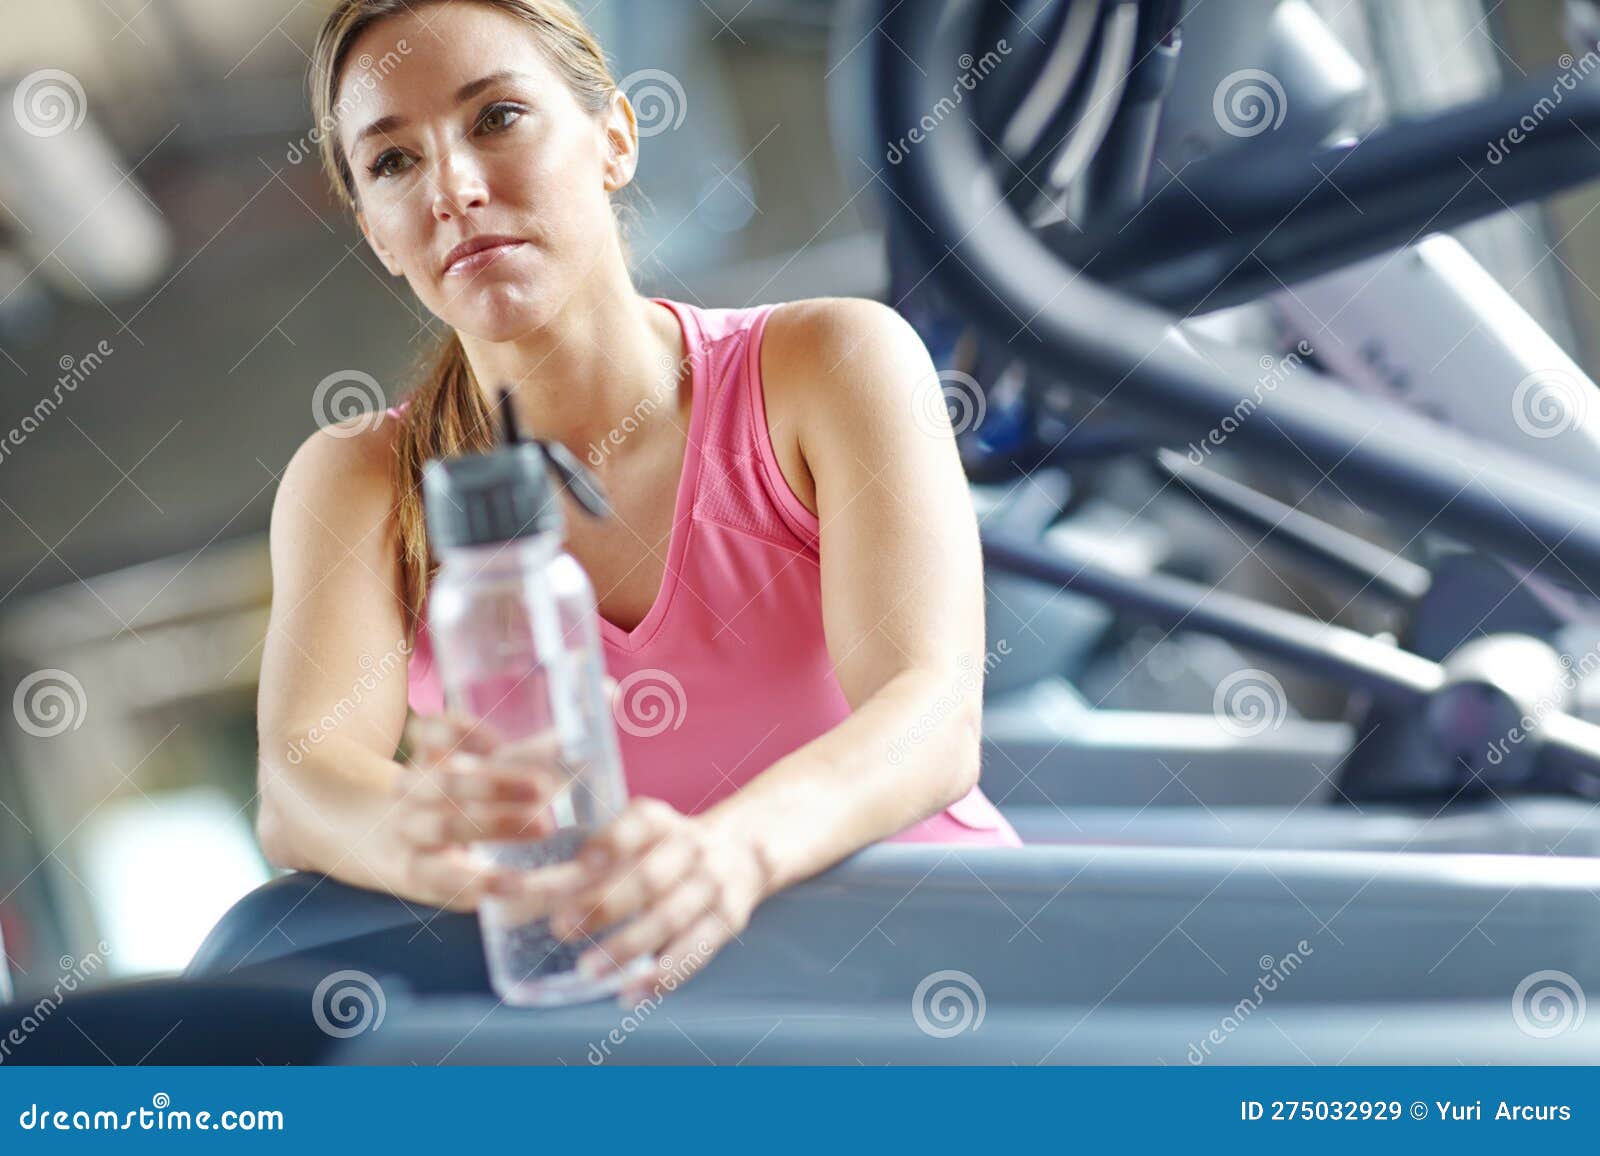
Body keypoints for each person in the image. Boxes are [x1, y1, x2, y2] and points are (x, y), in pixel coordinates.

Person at [256, 0, 1020, 1005]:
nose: (453, 188)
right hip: (663, 1035)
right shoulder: (358, 477)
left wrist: (730, 855)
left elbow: (929, 713)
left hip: (948, 969)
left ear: (613, 138)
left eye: (495, 118)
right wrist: (419, 828)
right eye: (393, 161)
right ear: (375, 233)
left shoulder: (832, 361)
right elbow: (302, 784)